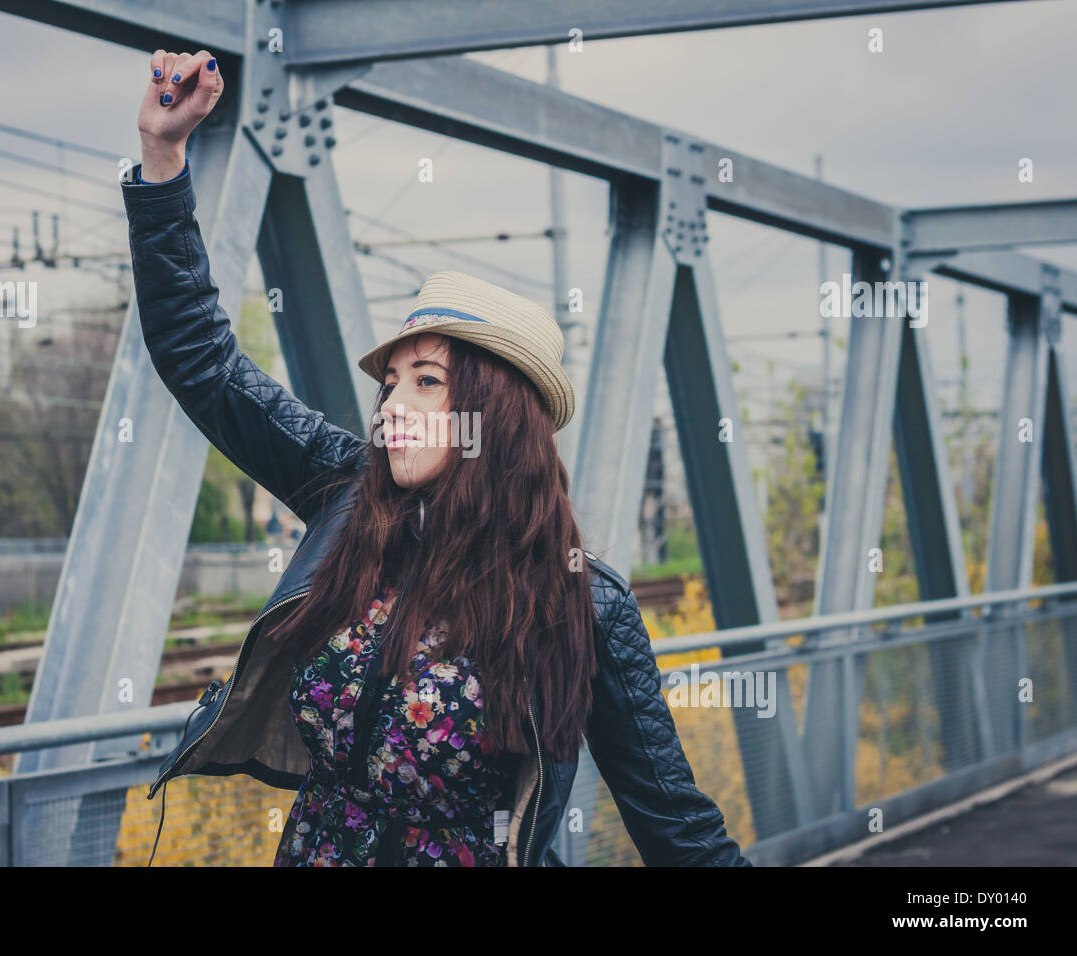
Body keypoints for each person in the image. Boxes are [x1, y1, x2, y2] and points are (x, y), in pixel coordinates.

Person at [128, 50, 751, 867]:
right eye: (392, 383)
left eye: (428, 381)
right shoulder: (347, 496)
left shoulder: (582, 606)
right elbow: (205, 365)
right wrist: (163, 158)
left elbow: (677, 828)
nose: (393, 406)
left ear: (491, 417)